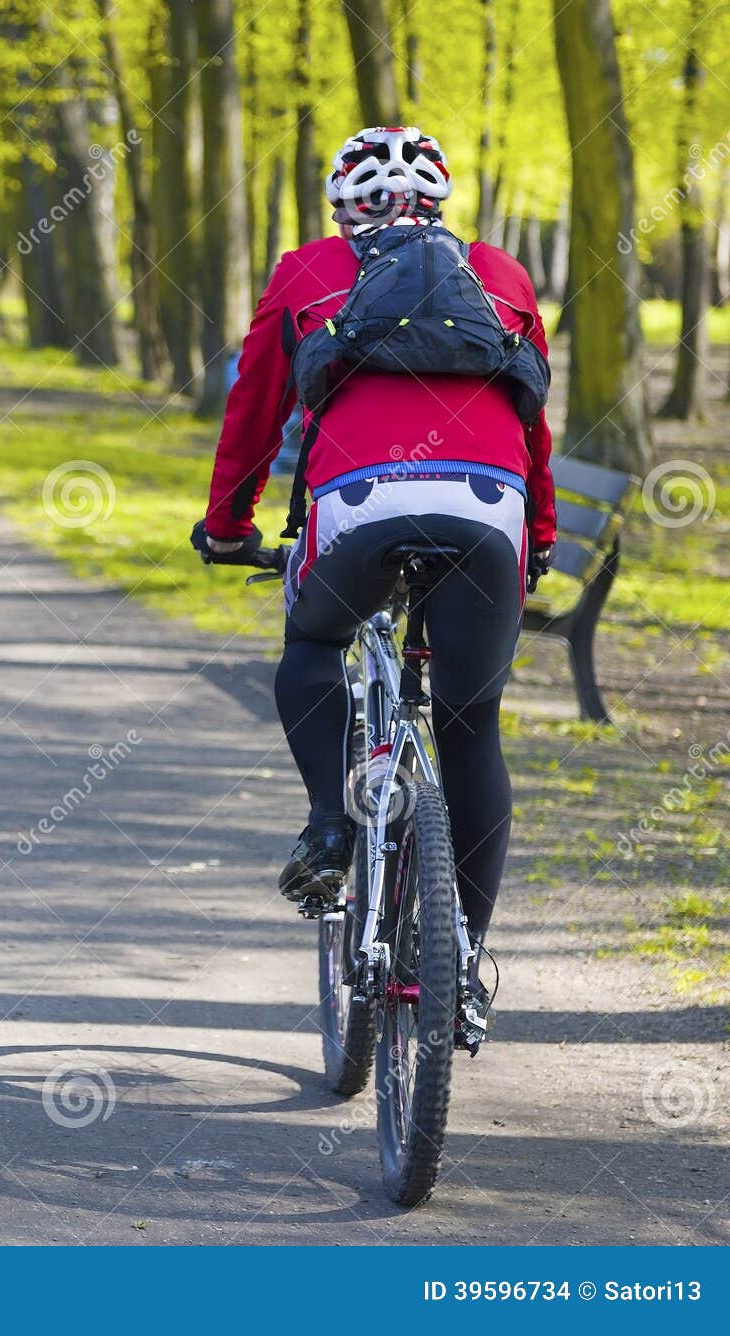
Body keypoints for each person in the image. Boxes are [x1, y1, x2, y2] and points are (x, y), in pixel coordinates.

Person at [193, 127, 557, 1026]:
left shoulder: (307, 270)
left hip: (359, 504)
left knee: (314, 639)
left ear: (340, 207)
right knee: (472, 724)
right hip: (489, 507)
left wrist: (229, 525)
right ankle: (462, 959)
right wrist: (539, 537)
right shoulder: (500, 274)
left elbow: (256, 407)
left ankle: (329, 823)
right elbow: (532, 417)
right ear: (439, 202)